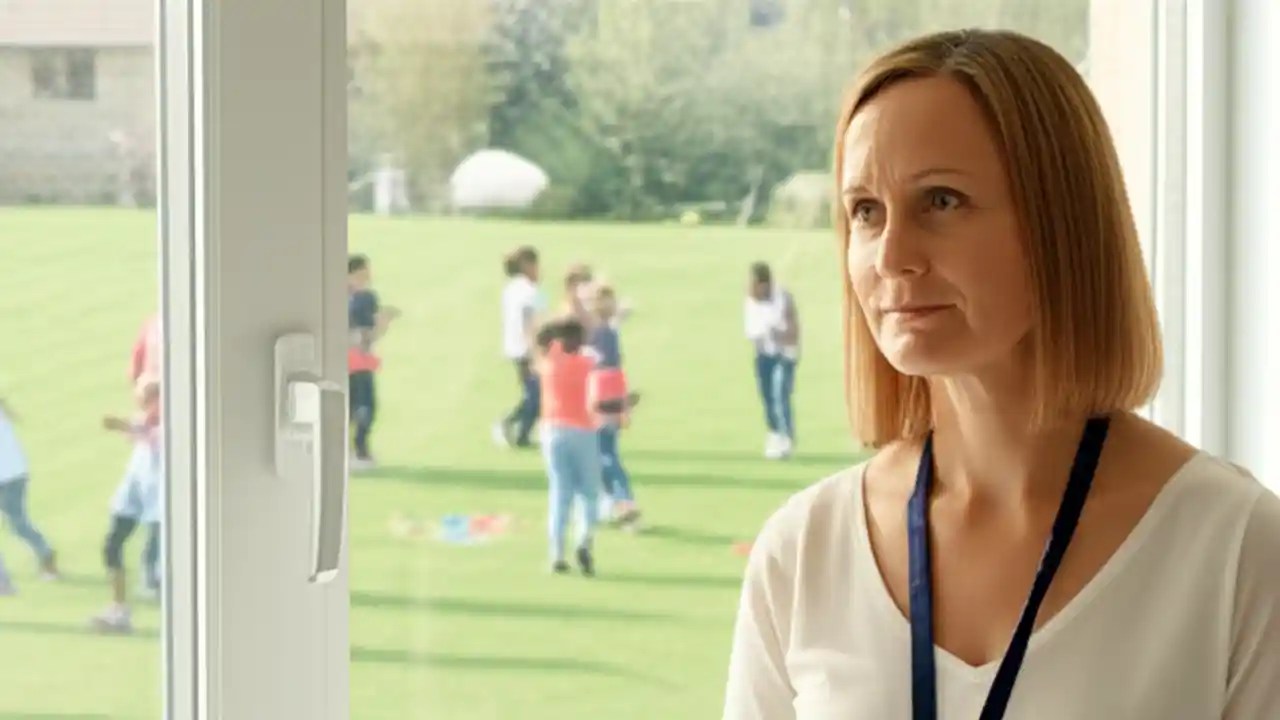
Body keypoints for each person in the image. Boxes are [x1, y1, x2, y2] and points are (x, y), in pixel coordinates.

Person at [724, 29, 1280, 719]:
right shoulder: (805, 552)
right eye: (866, 211)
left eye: (942, 201)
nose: (892, 255)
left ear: (1060, 224)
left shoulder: (1234, 547)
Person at [92, 378, 163, 634]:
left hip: (162, 503)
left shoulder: (176, 422)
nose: (142, 405)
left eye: (146, 400)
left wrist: (122, 425)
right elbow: (137, 429)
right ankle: (118, 610)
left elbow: (151, 436)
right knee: (112, 546)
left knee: (156, 570)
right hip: (134, 493)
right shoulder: (144, 419)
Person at [535, 318, 601, 577]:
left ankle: (557, 554)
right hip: (582, 429)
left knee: (560, 493)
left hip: (552, 429)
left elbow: (539, 339)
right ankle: (584, 539)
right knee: (588, 493)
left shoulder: (549, 363)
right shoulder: (586, 365)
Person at [587, 283, 641, 528]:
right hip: (605, 395)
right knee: (604, 453)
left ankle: (620, 501)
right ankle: (615, 501)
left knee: (604, 453)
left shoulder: (598, 333)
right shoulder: (605, 332)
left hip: (602, 397)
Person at [743, 262, 800, 460]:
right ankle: (774, 434)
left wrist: (776, 333)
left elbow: (794, 333)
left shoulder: (783, 298)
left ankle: (786, 437)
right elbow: (750, 331)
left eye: (754, 284)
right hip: (763, 355)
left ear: (764, 284)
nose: (750, 289)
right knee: (767, 397)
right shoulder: (750, 300)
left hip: (784, 355)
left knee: (780, 394)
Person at [348, 254, 399, 471]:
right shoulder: (365, 299)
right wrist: (384, 321)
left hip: (345, 359)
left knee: (350, 407)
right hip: (358, 360)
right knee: (365, 406)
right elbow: (369, 334)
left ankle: (349, 451)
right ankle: (360, 452)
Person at [0, 398, 59, 580]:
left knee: (18, 522)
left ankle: (45, 553)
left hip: (8, 476)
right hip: (15, 472)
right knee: (17, 521)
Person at [494, 246, 545, 449]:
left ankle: (523, 435)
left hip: (516, 347)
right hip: (527, 349)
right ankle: (508, 423)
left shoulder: (512, 288)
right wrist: (536, 350)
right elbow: (531, 319)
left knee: (536, 394)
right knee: (537, 394)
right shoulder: (528, 290)